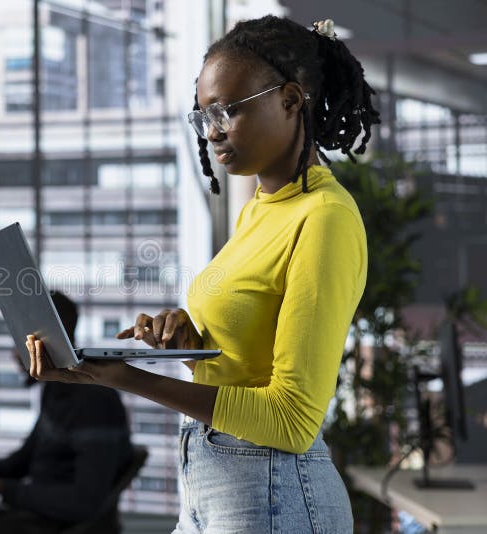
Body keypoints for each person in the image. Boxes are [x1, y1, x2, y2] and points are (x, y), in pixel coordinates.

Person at [26, 15, 376, 534]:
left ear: (290, 99)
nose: (211, 131)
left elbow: (292, 421)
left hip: (275, 494)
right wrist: (190, 345)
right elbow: (246, 366)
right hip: (218, 484)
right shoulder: (261, 208)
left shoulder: (324, 217)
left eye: (226, 112)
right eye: (202, 116)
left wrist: (126, 378)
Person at [0, 291, 133, 534]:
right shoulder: (57, 390)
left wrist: (2, 488)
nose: (15, 354)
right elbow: (26, 457)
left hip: (64, 525)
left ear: (50, 341)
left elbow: (83, 502)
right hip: (41, 517)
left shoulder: (93, 402)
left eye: (21, 342)